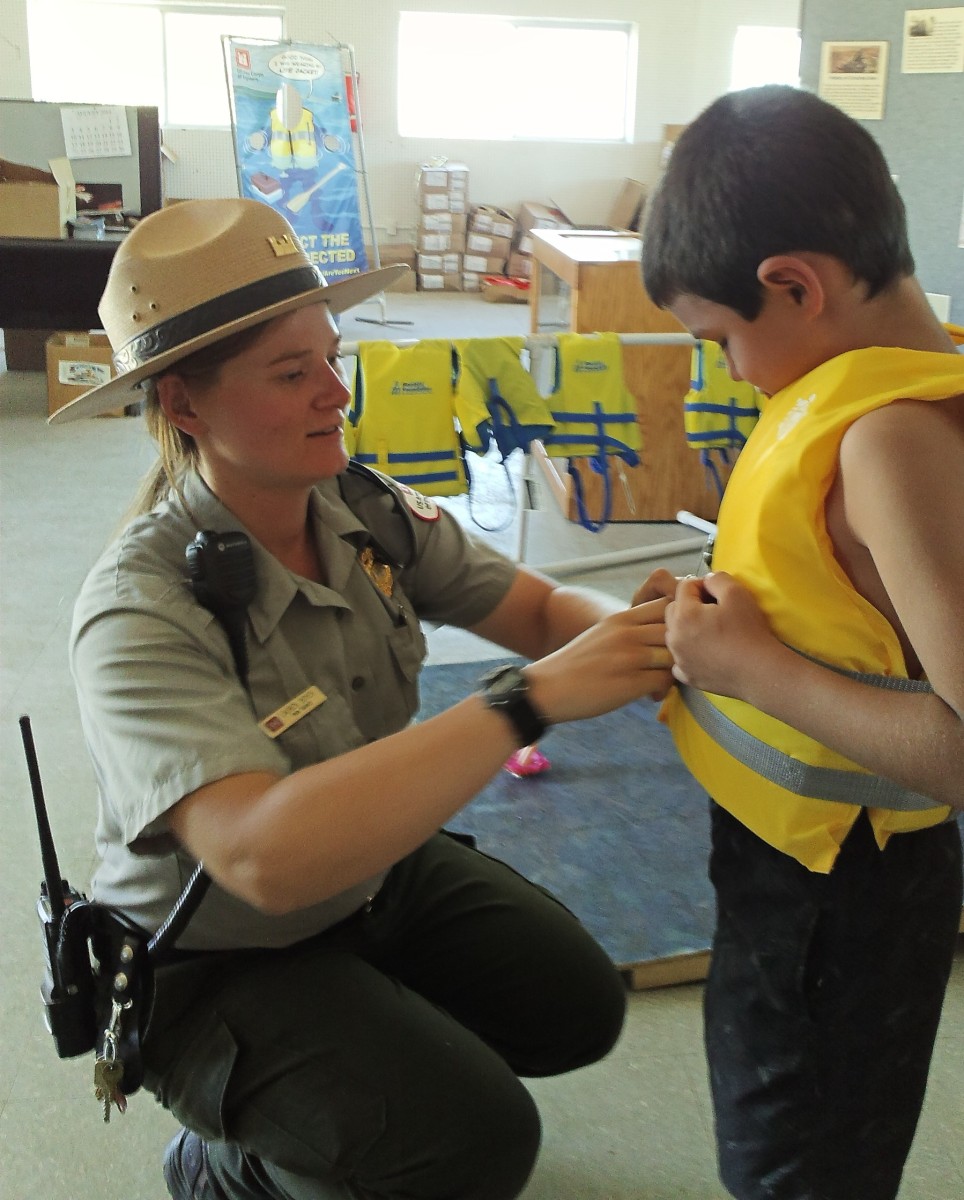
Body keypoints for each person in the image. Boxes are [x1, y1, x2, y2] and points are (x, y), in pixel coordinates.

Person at [51, 198, 677, 1200]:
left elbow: (542, 604)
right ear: (184, 405)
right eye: (292, 374)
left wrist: (654, 623)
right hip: (218, 955)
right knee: (473, 1144)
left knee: (574, 1008)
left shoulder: (362, 509)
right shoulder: (139, 612)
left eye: (332, 359)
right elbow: (262, 854)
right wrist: (523, 704)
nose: (335, 394)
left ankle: (367, 1059)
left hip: (370, 870)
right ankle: (228, 1170)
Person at [639, 84, 964, 1200]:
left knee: (802, 1165)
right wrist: (707, 630)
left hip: (848, 904)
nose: (726, 366)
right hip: (783, 873)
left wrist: (749, 667)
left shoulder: (895, 441)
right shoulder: (837, 386)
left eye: (719, 337)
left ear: (794, 284)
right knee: (765, 1125)